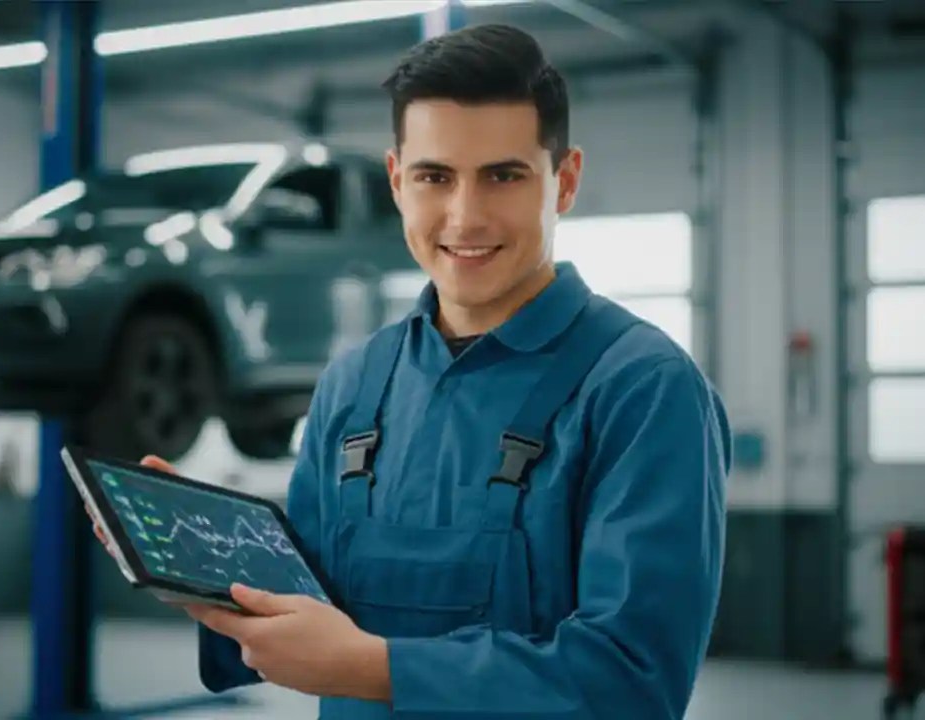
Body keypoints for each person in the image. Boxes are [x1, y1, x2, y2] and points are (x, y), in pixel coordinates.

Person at [120, 23, 731, 719]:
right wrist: (207, 568)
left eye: (503, 175)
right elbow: (310, 608)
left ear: (563, 182)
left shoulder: (643, 389)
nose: (464, 217)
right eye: (434, 176)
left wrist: (375, 667)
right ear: (396, 181)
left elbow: (633, 681)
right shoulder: (353, 384)